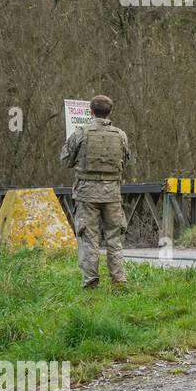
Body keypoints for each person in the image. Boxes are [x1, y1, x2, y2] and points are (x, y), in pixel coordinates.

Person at [60, 94, 132, 288]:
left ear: (91, 112)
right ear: (110, 112)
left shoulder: (80, 133)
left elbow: (66, 160)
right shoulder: (121, 135)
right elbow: (126, 161)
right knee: (114, 239)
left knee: (88, 238)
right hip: (112, 194)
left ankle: (91, 282)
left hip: (86, 194)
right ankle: (119, 281)